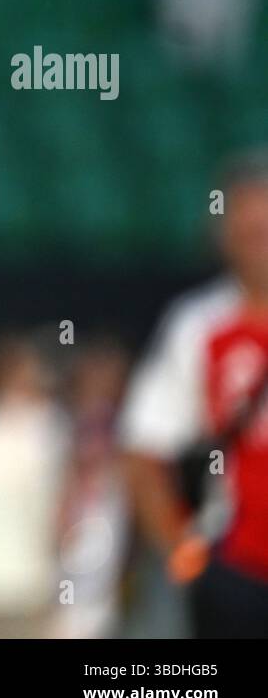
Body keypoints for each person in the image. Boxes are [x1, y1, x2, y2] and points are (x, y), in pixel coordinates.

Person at [119, 150, 268, 637]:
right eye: (247, 228)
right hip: (237, 569)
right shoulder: (197, 326)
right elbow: (143, 449)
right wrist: (185, 554)